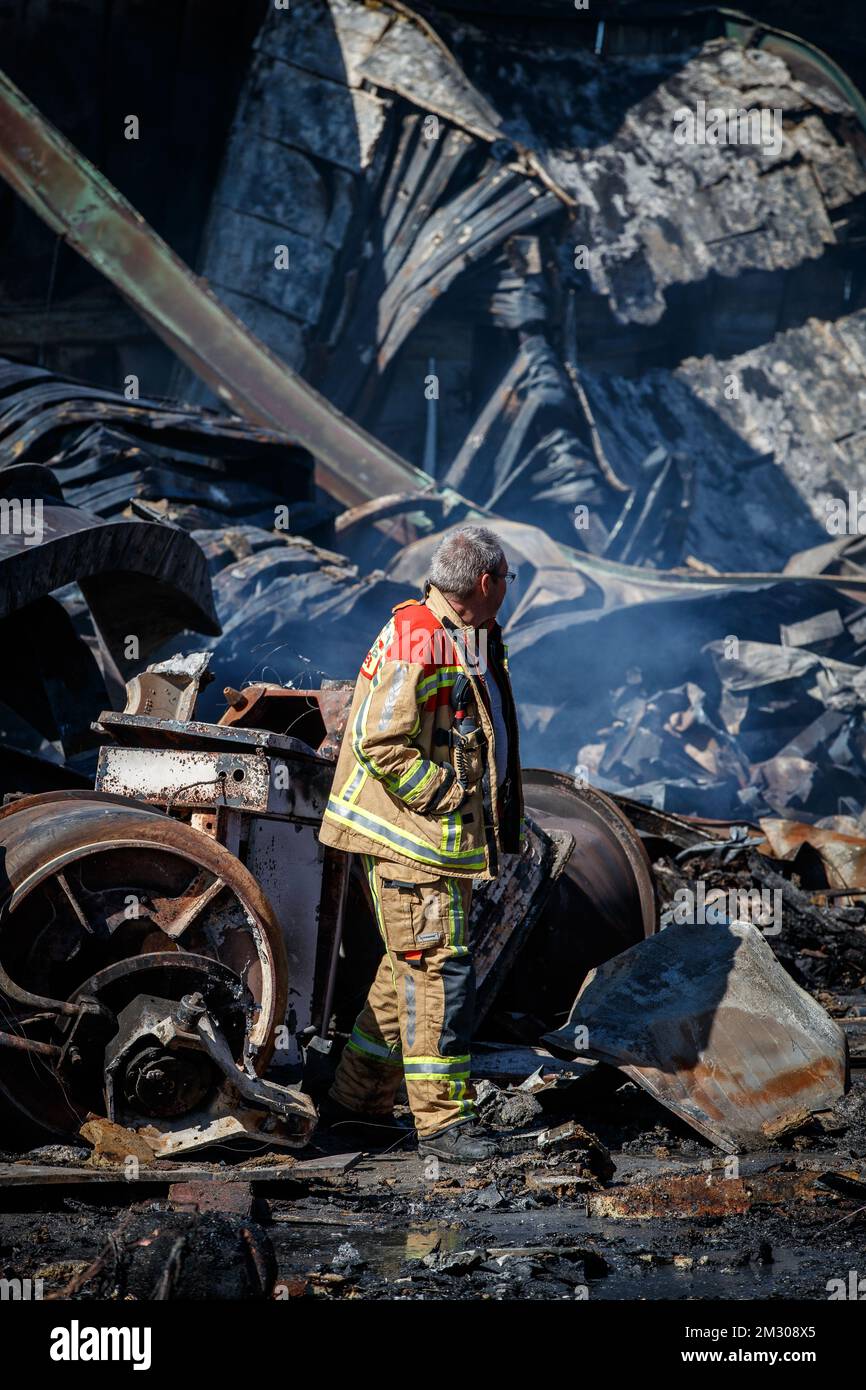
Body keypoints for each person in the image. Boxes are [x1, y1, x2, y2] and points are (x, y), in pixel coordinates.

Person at [317, 525, 525, 1162]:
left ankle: (355, 1106)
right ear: (486, 582)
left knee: (402, 969)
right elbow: (381, 741)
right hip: (413, 842)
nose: (508, 590)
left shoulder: (461, 637)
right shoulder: (419, 635)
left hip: (436, 846)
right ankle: (442, 1123)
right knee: (437, 973)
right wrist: (445, 797)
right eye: (507, 579)